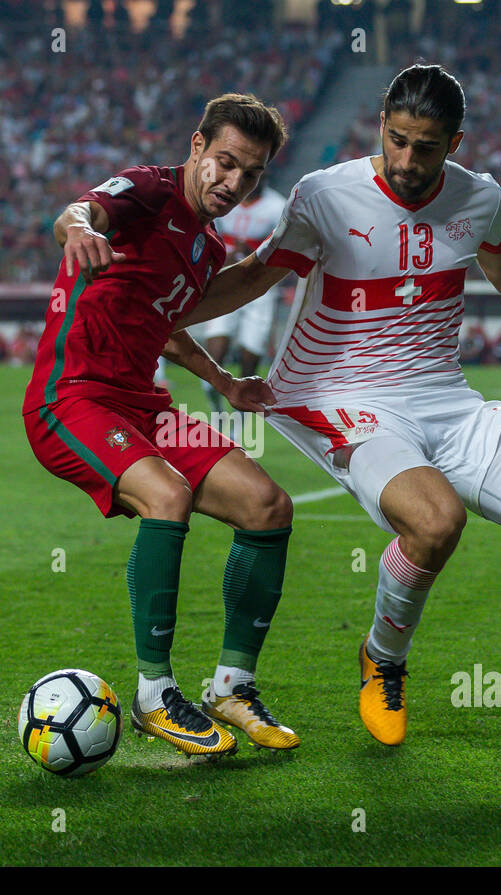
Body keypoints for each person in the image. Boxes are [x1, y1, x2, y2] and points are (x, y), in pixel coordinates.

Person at [177, 65, 501, 752]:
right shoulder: (325, 195)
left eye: (424, 147)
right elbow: (255, 275)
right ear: (381, 127)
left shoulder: (477, 198)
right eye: (395, 140)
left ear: (453, 144)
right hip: (348, 400)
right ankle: (383, 660)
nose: (405, 160)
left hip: (446, 400)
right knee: (435, 522)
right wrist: (160, 311)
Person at [22, 93, 298, 758]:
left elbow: (165, 329)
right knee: (168, 494)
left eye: (250, 174)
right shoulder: (148, 189)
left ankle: (232, 686)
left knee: (268, 505)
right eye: (225, 162)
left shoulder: (207, 246)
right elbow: (78, 214)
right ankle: (153, 695)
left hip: (144, 407)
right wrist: (81, 229)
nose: (232, 182)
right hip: (72, 398)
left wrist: (225, 382)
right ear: (198, 146)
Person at [193, 179, 287, 420]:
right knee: (216, 344)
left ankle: (239, 423)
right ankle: (215, 407)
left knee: (250, 353)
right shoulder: (226, 201)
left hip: (262, 288)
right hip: (227, 280)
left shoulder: (277, 206)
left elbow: (285, 247)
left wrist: (254, 252)